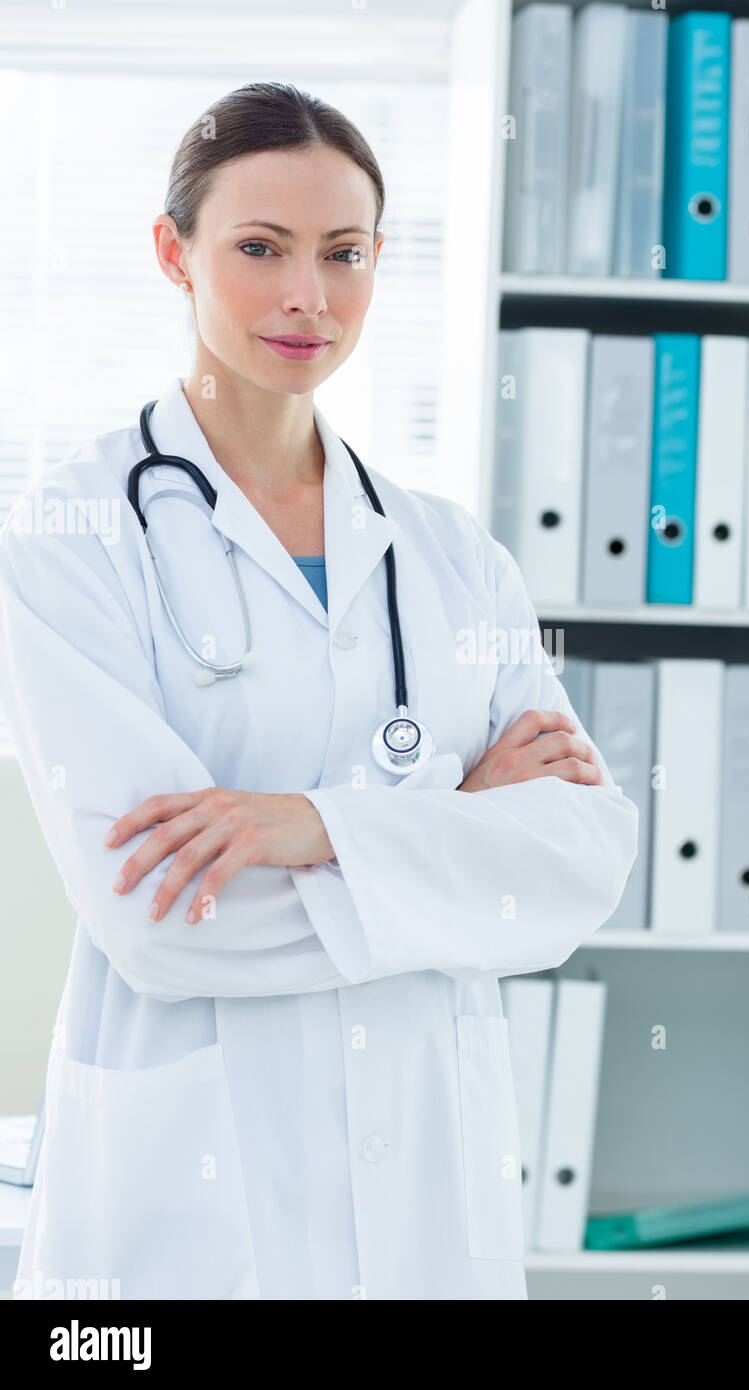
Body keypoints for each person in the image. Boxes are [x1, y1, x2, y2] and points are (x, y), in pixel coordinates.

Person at [0, 82, 638, 1300]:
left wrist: (305, 826)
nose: (309, 295)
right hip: (189, 1213)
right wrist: (455, 822)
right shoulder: (74, 538)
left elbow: (578, 864)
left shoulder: (452, 555)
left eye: (345, 254)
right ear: (171, 253)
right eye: (259, 248)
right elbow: (159, 917)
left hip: (427, 1204)